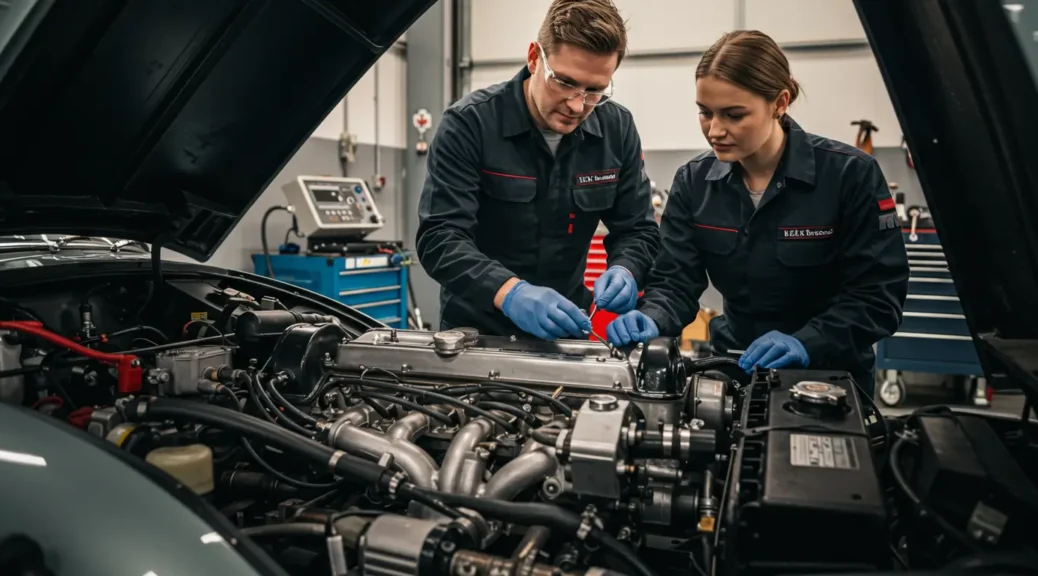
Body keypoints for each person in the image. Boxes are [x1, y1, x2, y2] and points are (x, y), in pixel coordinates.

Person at [605, 30, 909, 395]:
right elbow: (675, 282)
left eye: (734, 115)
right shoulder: (694, 182)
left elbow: (877, 298)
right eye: (705, 113)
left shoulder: (850, 176)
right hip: (734, 367)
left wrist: (807, 342)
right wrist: (652, 317)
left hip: (830, 377)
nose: (715, 130)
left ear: (780, 102)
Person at [416, 0, 659, 341]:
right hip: (478, 334)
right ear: (534, 57)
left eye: (595, 90)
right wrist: (510, 292)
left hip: (568, 332)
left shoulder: (616, 129)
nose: (577, 105)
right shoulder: (470, 124)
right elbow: (440, 238)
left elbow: (638, 231)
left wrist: (627, 268)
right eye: (564, 82)